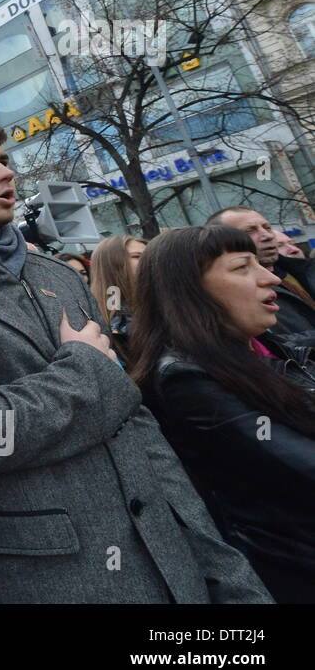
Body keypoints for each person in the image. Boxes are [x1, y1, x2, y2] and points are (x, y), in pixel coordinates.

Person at [0, 112, 270, 603]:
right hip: (45, 581)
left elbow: (134, 425)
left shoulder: (60, 274)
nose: (6, 173)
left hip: (168, 564)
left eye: (4, 161)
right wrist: (83, 368)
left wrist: (223, 570)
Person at [132, 225, 315, 603]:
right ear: (191, 289)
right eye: (242, 267)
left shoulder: (271, 347)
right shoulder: (187, 378)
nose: (269, 277)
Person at [207, 207, 315, 337]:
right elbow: (276, 346)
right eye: (250, 231)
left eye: (267, 227)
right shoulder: (237, 296)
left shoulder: (306, 270)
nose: (267, 236)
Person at [89, 236, 145, 367]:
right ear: (113, 264)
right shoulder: (103, 319)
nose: (148, 261)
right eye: (137, 256)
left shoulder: (163, 302)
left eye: (149, 255)